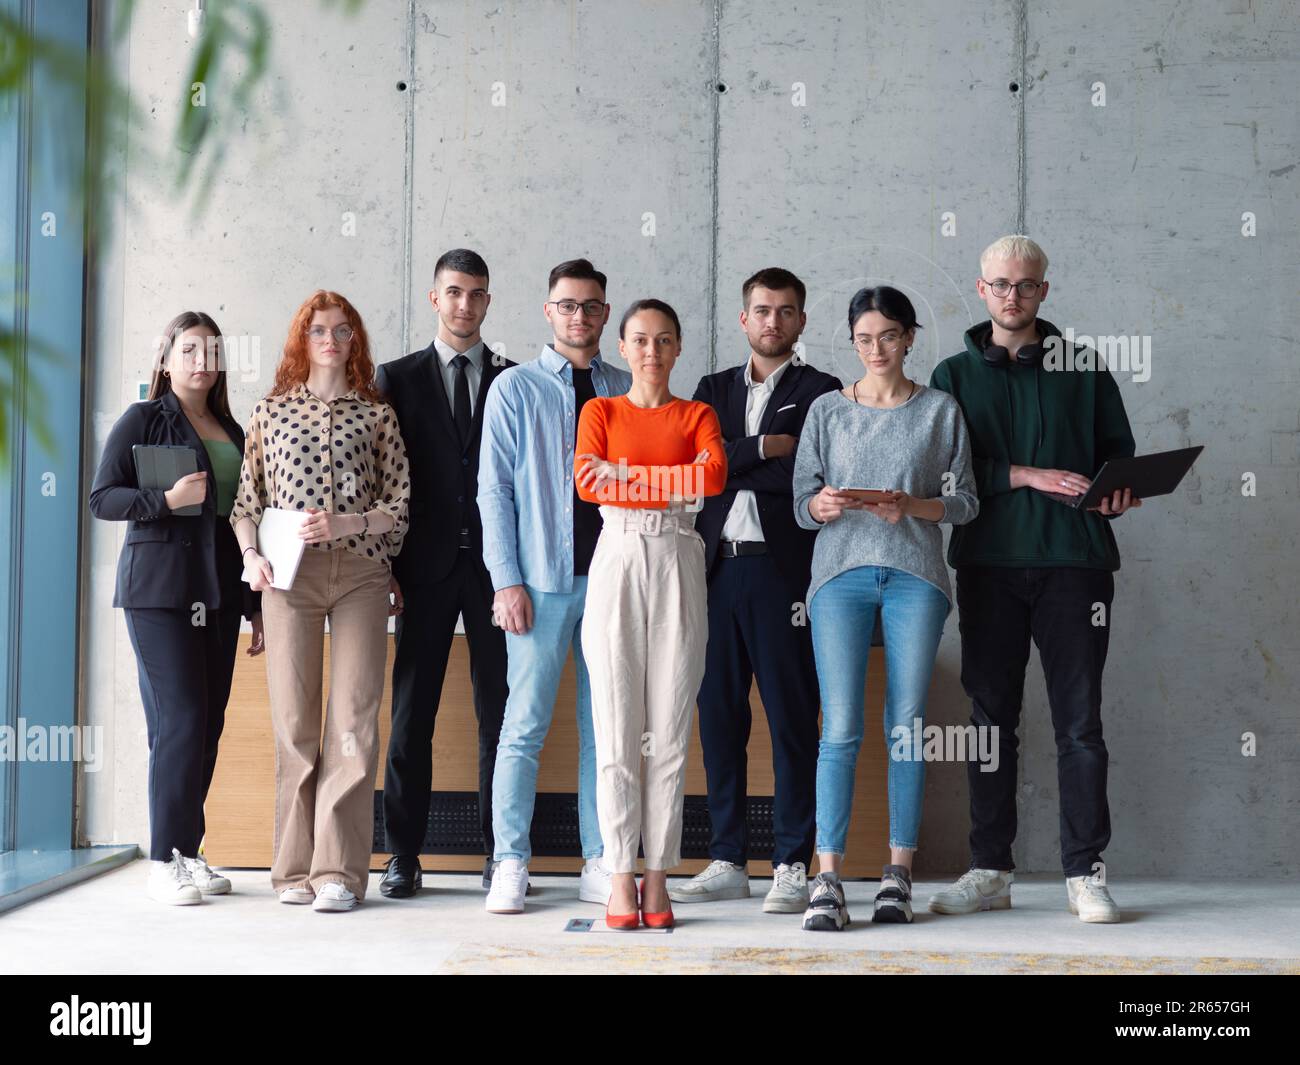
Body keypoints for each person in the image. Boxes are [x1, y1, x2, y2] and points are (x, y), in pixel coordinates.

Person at [927, 235, 1138, 924]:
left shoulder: (1086, 368)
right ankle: (990, 868)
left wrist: (1118, 491)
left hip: (1075, 567)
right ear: (981, 289)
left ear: (1044, 290)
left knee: (1081, 725)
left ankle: (1085, 872)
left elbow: (1119, 458)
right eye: (1000, 284)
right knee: (991, 723)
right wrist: (1023, 473)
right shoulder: (952, 376)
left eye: (1026, 284)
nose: (1012, 296)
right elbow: (940, 476)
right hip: (989, 567)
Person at [793, 285, 978, 931]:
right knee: (839, 727)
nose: (877, 349)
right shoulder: (825, 410)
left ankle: (898, 873)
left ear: (909, 337)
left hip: (914, 574)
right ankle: (827, 878)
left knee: (906, 723)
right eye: (865, 338)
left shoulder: (940, 410)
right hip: (839, 575)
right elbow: (802, 502)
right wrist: (821, 505)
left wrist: (913, 505)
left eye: (889, 336)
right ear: (853, 341)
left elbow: (964, 503)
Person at [232, 290, 410, 914]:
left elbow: (400, 506)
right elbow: (246, 504)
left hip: (361, 574)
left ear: (355, 339)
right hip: (288, 578)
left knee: (354, 723)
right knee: (295, 725)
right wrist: (251, 559)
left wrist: (348, 524)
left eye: (341, 330)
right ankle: (291, 873)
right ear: (301, 341)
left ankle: (338, 873)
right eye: (318, 331)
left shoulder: (377, 415)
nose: (330, 340)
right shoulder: (272, 412)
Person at [672, 268, 841, 913]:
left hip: (784, 573)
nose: (773, 321)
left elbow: (810, 473)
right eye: (762, 310)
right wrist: (765, 447)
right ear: (743, 319)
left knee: (793, 717)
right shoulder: (710, 389)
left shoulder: (822, 390)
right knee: (718, 715)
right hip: (713, 570)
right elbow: (695, 473)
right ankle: (727, 857)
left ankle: (793, 861)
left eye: (786, 311)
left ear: (800, 322)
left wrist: (736, 459)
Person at [89, 311, 264, 905]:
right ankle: (164, 857)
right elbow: (101, 497)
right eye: (189, 350)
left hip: (216, 595)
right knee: (181, 720)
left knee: (207, 726)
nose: (201, 362)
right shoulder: (144, 419)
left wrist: (253, 609)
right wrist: (162, 499)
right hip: (160, 594)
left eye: (211, 351)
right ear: (166, 358)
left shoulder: (233, 431)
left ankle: (189, 850)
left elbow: (242, 524)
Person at [478, 259, 630, 914]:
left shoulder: (625, 387)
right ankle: (510, 860)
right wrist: (505, 579)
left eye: (592, 306)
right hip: (539, 584)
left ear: (605, 313)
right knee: (525, 724)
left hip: (613, 583)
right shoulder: (514, 388)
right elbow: (494, 491)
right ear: (548, 311)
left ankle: (601, 857)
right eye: (567, 305)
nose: (579, 316)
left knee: (608, 727)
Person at [576, 299, 726, 929]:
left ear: (679, 346)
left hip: (679, 560)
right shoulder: (600, 410)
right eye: (640, 340)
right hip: (618, 559)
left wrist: (629, 473)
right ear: (622, 344)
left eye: (664, 340)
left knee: (667, 727)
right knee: (615, 726)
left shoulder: (698, 413)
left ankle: (658, 873)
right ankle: (619, 873)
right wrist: (671, 478)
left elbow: (713, 478)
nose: (652, 352)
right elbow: (588, 479)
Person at [377, 249, 515, 898]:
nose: (465, 304)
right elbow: (381, 479)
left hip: (496, 572)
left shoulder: (516, 380)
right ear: (435, 298)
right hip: (422, 570)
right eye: (454, 292)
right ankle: (402, 854)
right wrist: (386, 569)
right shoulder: (395, 379)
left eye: (477, 294)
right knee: (412, 716)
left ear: (489, 302)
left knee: (500, 715)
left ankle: (500, 855)